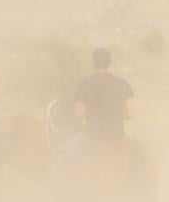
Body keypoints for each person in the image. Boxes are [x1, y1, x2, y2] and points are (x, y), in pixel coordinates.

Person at [58, 47, 135, 183]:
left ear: (93, 63)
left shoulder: (85, 84)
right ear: (109, 62)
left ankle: (64, 193)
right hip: (116, 135)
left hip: (92, 136)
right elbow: (130, 113)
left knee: (65, 156)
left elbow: (77, 114)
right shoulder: (121, 83)